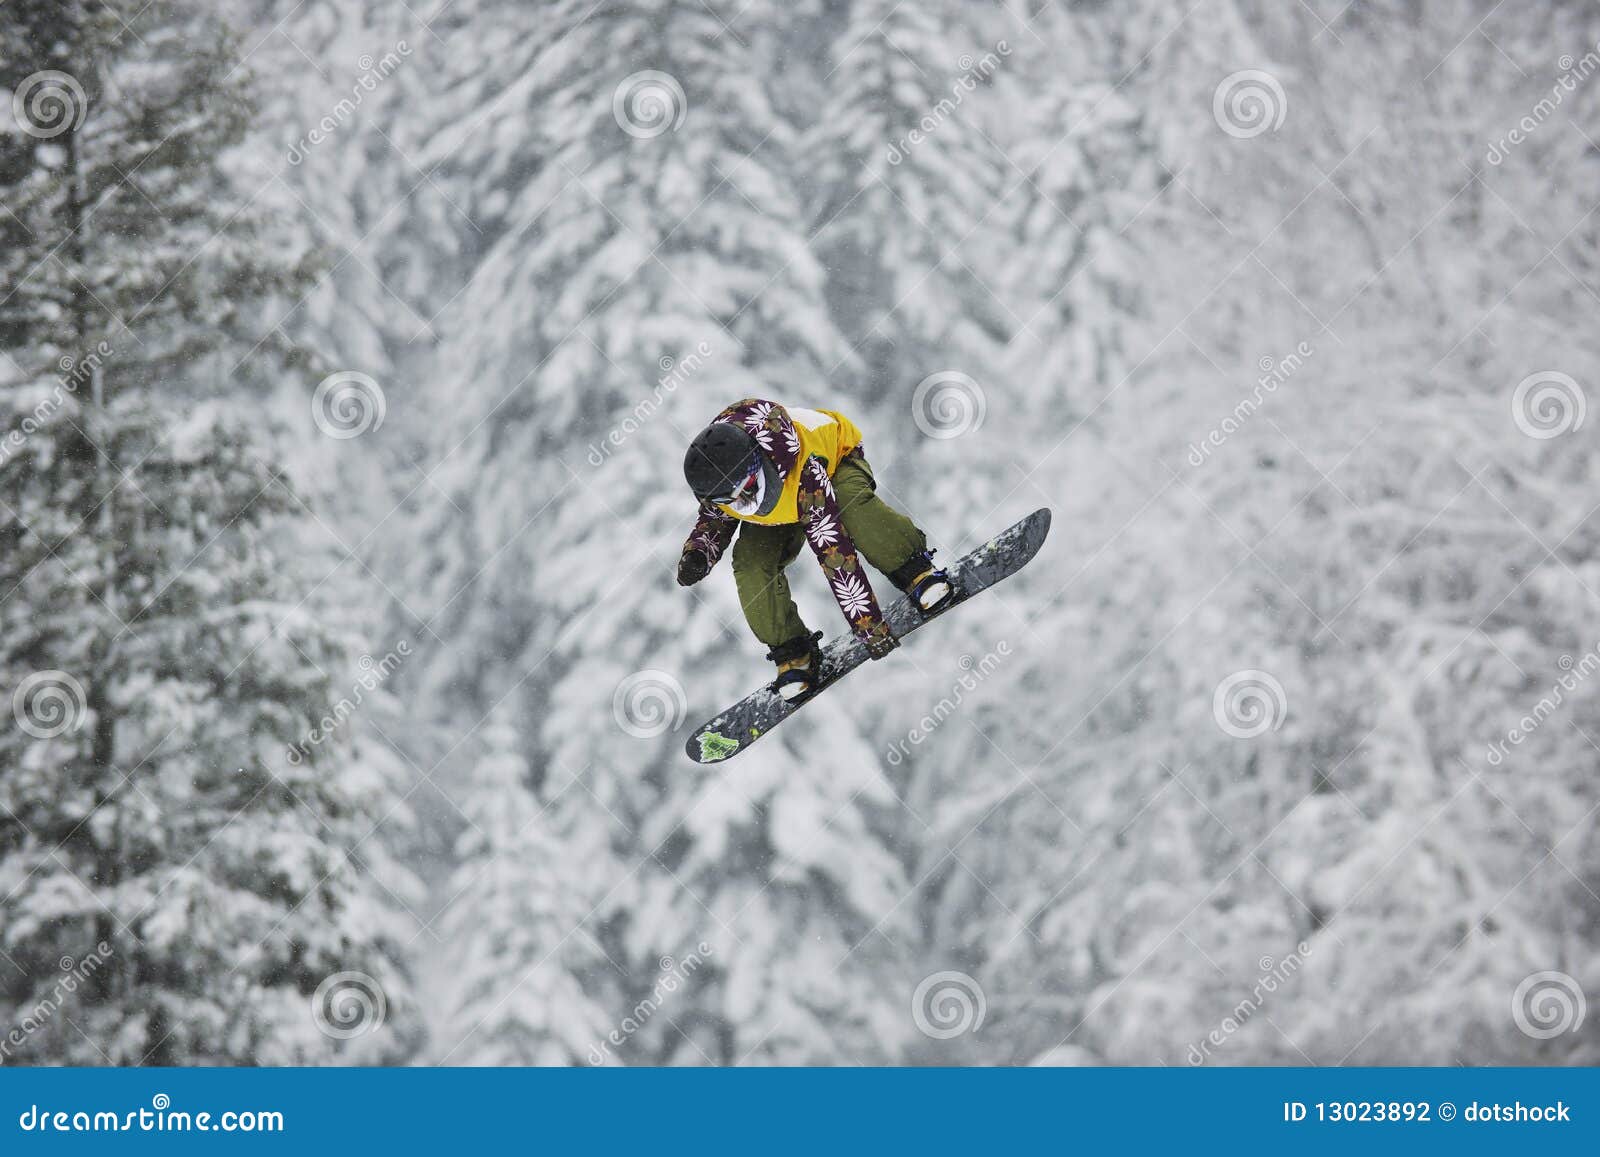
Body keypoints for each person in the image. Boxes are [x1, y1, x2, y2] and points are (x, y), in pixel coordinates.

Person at [677, 398, 953, 701]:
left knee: (854, 510)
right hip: (781, 506)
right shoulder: (723, 487)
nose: (745, 502)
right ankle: (793, 651)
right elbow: (716, 517)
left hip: (832, 469)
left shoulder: (804, 466)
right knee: (750, 562)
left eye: (749, 489)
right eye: (734, 500)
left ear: (757, 464)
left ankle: (914, 570)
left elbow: (831, 547)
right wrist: (699, 553)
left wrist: (871, 630)